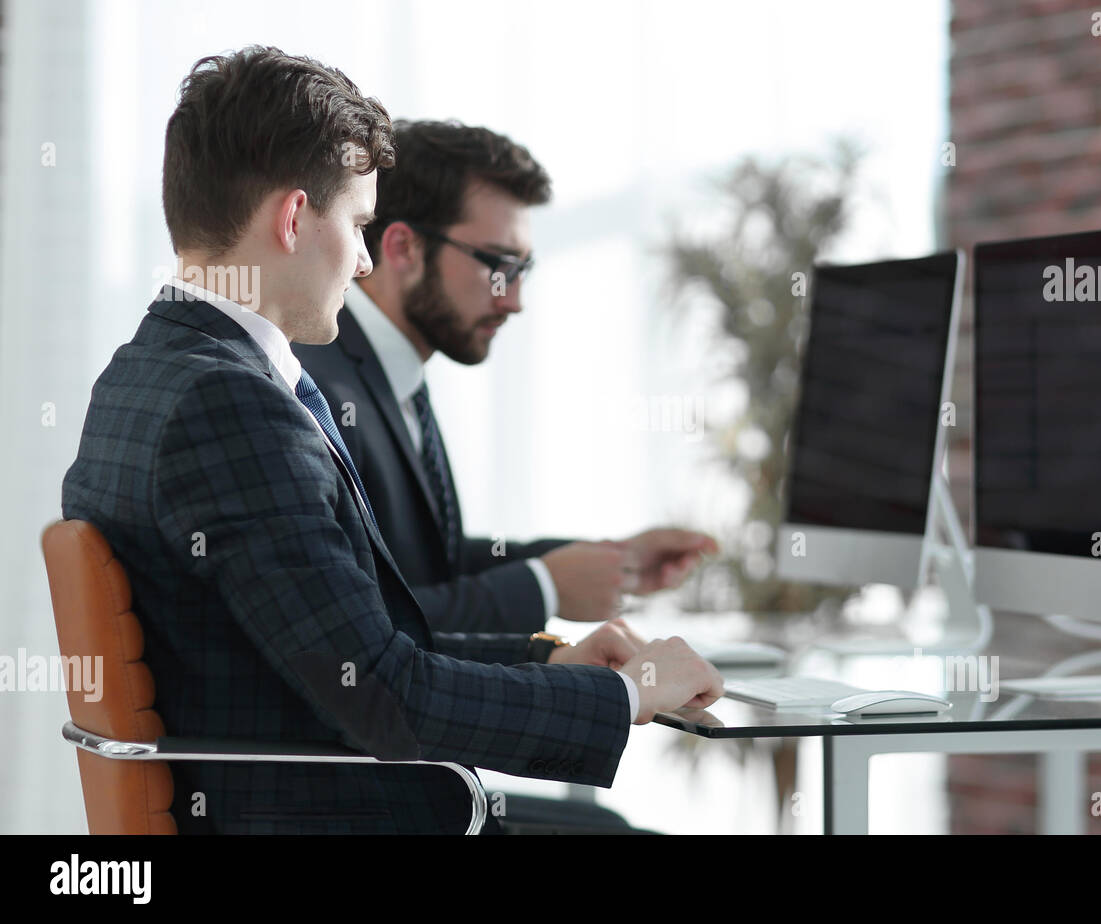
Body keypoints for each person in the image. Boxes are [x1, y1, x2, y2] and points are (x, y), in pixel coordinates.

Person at [61, 46, 723, 834]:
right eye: (360, 224)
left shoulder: (144, 373)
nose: (367, 259)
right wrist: (625, 695)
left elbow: (349, 635)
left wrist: (546, 657)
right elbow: (382, 691)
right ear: (296, 217)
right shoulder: (230, 403)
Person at [294, 120, 717, 637]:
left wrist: (612, 562)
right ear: (404, 249)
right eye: (497, 265)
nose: (513, 299)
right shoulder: (317, 388)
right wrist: (544, 586)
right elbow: (368, 624)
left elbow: (428, 564)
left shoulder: (393, 373)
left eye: (522, 270)